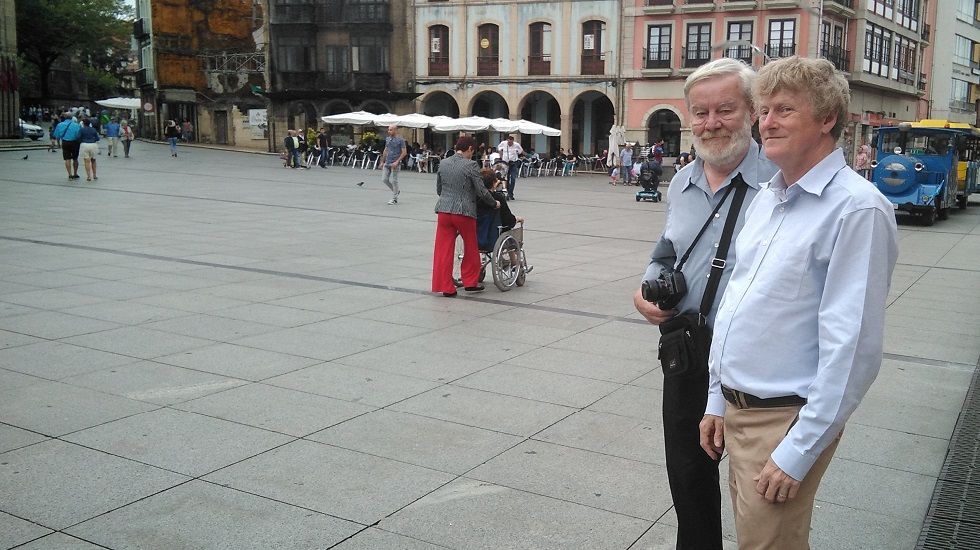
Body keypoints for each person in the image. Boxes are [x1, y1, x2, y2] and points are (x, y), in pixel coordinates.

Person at [698, 56, 899, 550]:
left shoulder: (857, 208)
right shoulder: (770, 197)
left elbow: (852, 348)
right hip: (740, 411)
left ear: (827, 118)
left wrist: (799, 450)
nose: (767, 122)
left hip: (785, 419)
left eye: (784, 109)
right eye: (764, 111)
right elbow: (739, 305)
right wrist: (717, 399)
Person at [633, 57, 778, 550]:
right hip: (689, 354)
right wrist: (646, 289)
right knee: (689, 482)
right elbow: (666, 250)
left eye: (725, 110)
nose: (711, 123)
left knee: (759, 496)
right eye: (700, 112)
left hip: (754, 364)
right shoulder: (681, 181)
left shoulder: (781, 183)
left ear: (752, 112)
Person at [432, 136, 500, 297]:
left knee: (443, 249)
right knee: (471, 246)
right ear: (469, 148)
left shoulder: (443, 163)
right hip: (464, 212)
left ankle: (446, 286)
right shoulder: (471, 165)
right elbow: (482, 191)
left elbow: (439, 189)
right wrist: (494, 203)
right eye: (472, 151)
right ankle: (470, 282)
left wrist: (449, 199)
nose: (472, 154)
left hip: (444, 211)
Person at [381, 124, 408, 205]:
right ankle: (396, 191)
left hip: (395, 163)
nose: (389, 131)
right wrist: (382, 161)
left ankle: (394, 198)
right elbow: (385, 150)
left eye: (390, 130)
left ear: (395, 130)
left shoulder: (401, 140)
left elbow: (404, 152)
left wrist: (397, 162)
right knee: (384, 179)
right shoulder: (388, 139)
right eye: (388, 130)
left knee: (394, 181)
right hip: (387, 162)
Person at [52, 112, 82, 180]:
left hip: (65, 142)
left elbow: (57, 136)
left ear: (65, 117)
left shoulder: (60, 125)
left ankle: (70, 174)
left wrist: (59, 144)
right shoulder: (76, 125)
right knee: (75, 159)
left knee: (67, 159)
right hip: (75, 143)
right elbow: (79, 135)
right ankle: (75, 173)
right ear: (72, 118)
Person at [497, 134, 524, 200]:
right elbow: (499, 148)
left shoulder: (516, 145)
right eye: (508, 142)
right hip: (505, 163)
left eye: (511, 142)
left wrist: (518, 155)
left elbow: (521, 151)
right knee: (506, 179)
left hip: (513, 163)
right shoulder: (503, 143)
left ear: (513, 141)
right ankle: (507, 193)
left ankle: (510, 193)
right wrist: (501, 155)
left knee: (513, 179)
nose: (509, 143)